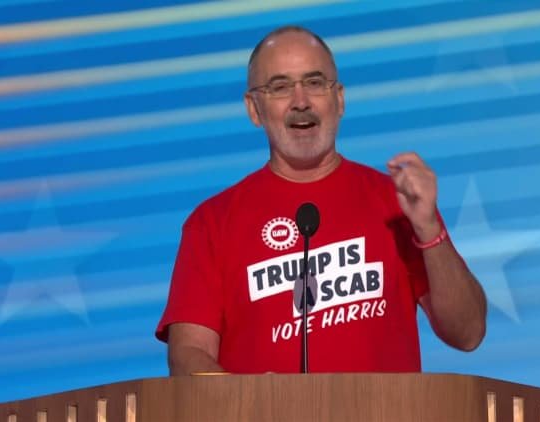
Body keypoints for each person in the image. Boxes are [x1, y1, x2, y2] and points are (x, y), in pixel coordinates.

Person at [155, 26, 487, 375]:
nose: (301, 102)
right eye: (280, 87)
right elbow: (188, 355)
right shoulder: (212, 222)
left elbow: (468, 333)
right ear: (254, 109)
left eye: (314, 83)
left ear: (339, 99)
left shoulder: (396, 201)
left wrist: (429, 228)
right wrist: (248, 403)